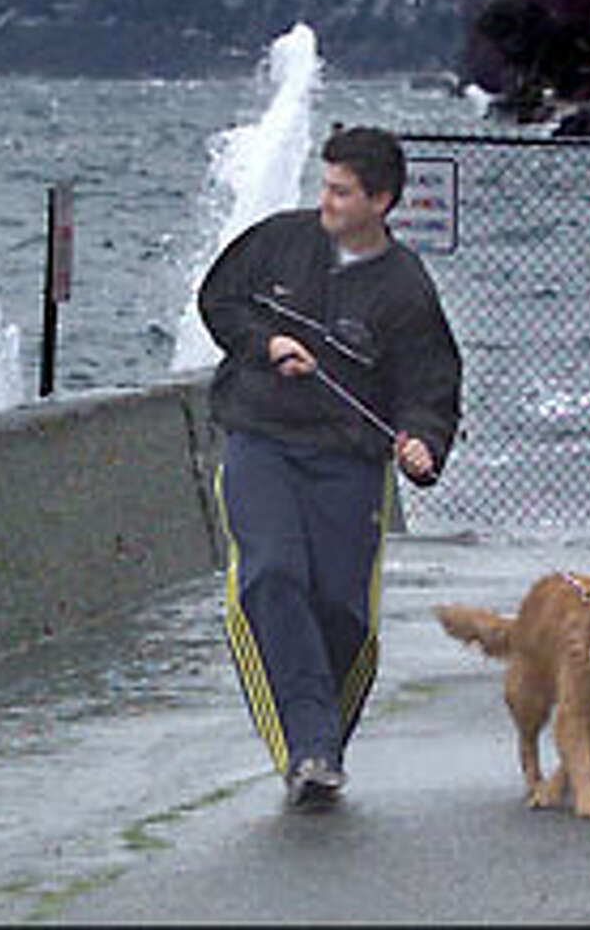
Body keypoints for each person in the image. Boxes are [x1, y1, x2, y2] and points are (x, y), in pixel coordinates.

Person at [196, 124, 462, 811]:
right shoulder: (280, 239)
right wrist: (268, 343)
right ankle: (307, 747)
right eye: (326, 186)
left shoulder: (406, 288)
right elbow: (218, 302)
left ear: (382, 200)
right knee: (274, 574)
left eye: (342, 192)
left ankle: (323, 746)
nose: (327, 202)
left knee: (342, 609)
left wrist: (423, 446)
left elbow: (430, 389)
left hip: (348, 462)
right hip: (260, 439)